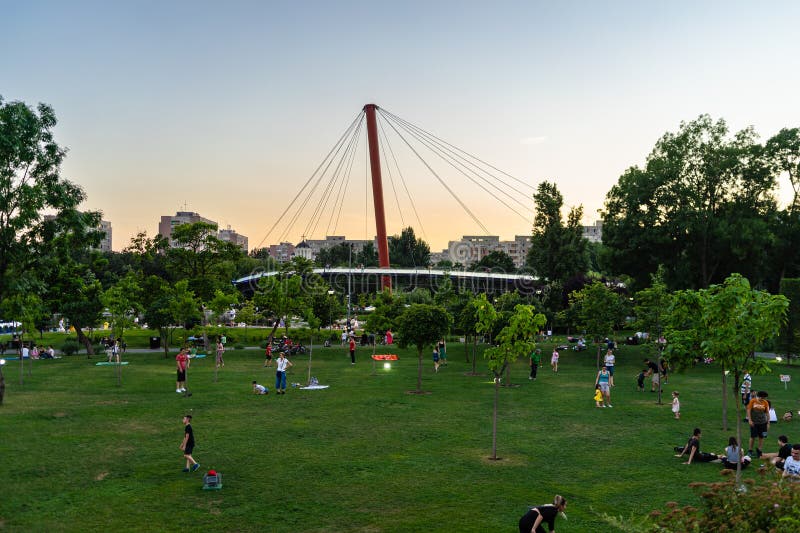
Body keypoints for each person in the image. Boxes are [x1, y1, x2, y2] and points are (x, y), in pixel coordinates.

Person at [746, 390, 770, 457]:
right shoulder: (753, 401)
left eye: (764, 398)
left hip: (763, 422)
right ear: (758, 396)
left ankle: (759, 450)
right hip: (754, 422)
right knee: (753, 436)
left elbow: (767, 412)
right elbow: (748, 410)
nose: (763, 399)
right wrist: (750, 420)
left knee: (762, 436)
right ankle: (750, 450)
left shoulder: (765, 402)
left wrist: (768, 422)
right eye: (762, 398)